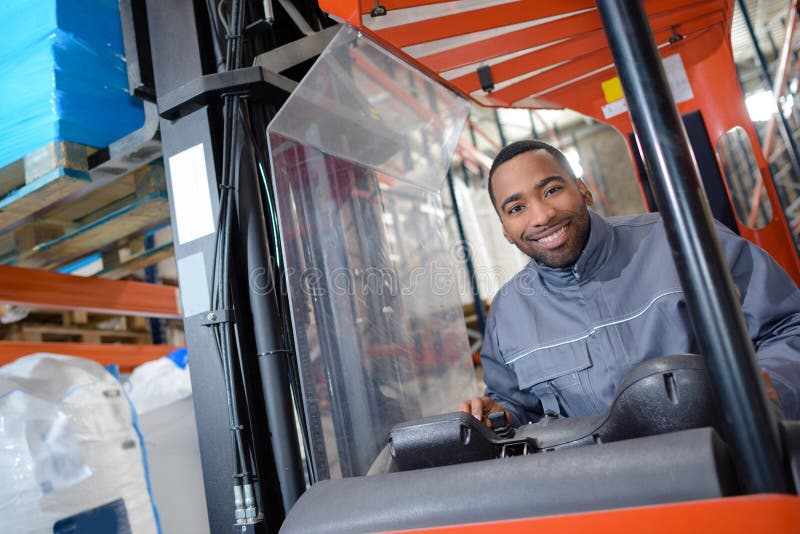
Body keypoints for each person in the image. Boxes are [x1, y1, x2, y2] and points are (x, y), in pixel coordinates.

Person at [459, 139, 800, 426]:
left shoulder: (680, 241)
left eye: (551, 190)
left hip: (732, 465)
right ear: (505, 229)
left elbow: (788, 326)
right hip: (611, 495)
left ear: (583, 190)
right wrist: (501, 415)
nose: (542, 216)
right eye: (516, 208)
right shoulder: (508, 313)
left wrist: (773, 385)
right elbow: (517, 404)